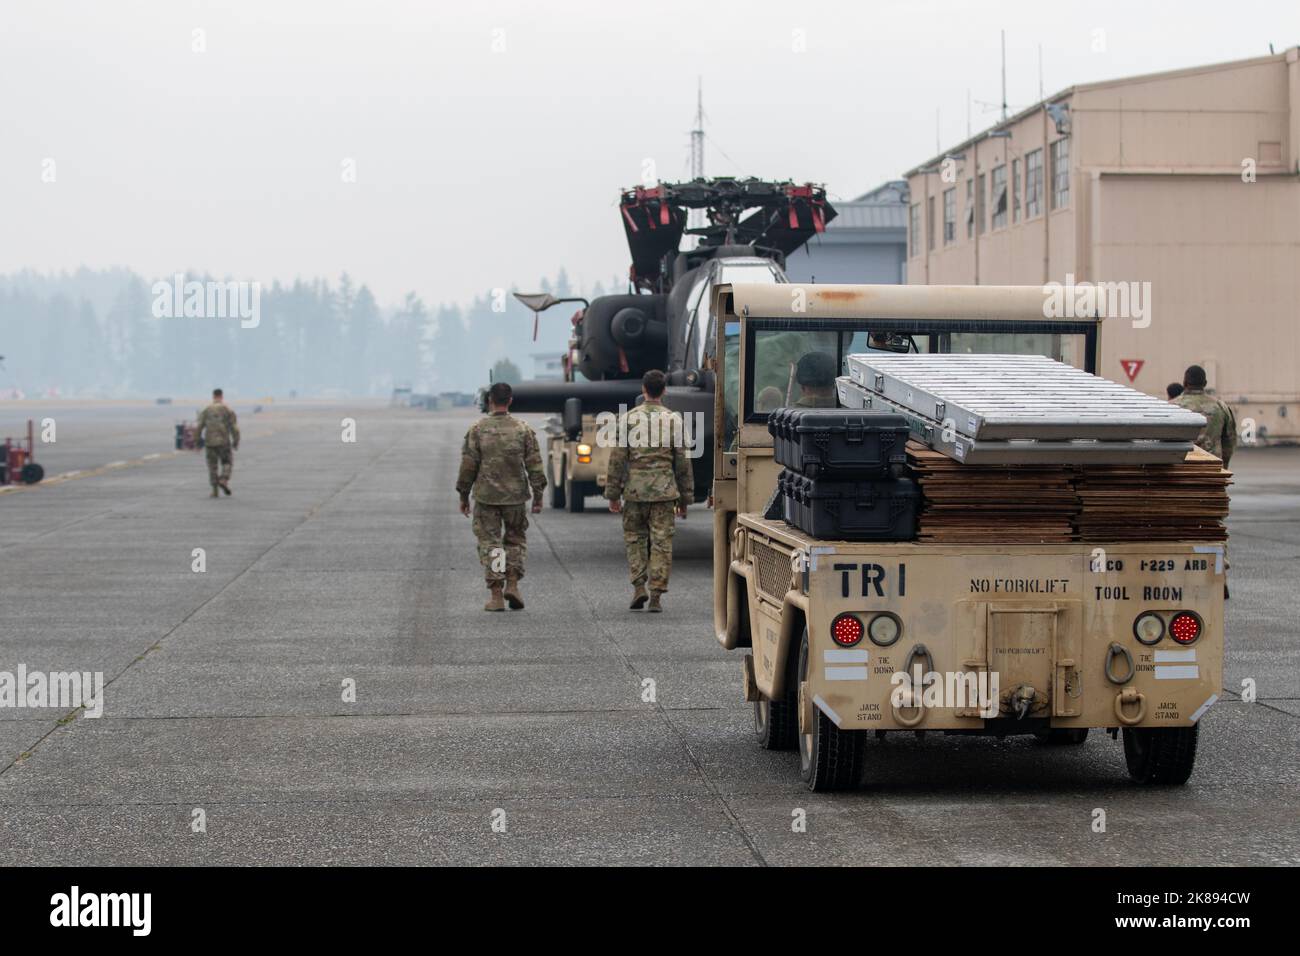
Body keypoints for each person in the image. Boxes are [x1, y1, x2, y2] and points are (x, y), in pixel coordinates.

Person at [605, 369, 694, 612]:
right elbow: (683, 461)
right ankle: (656, 595)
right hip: (665, 492)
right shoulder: (674, 420)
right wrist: (686, 497)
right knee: (661, 542)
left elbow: (617, 459)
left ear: (643, 390)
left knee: (635, 539)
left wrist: (612, 494)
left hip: (635, 491)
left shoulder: (628, 419)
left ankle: (638, 587)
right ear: (664, 391)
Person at [456, 382, 546, 612]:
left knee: (491, 544)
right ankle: (513, 585)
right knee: (515, 541)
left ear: (489, 401)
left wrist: (464, 495)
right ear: (511, 400)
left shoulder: (477, 430)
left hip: (487, 498)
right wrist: (538, 496)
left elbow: (468, 466)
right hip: (515, 498)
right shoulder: (523, 429)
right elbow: (535, 465)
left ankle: (496, 595)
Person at [1174, 365, 1237, 465]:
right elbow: (1229, 440)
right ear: (1205, 383)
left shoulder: (1171, 407)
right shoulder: (1220, 406)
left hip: (1180, 468)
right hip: (1211, 467)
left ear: (1184, 383)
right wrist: (1223, 466)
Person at [194, 388, 239, 497]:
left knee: (212, 466)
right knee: (227, 462)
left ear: (213, 396)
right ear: (221, 396)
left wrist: (197, 442)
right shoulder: (227, 410)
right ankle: (223, 479)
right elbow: (234, 427)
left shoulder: (206, 410)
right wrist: (236, 441)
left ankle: (215, 491)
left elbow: (199, 427)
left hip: (210, 442)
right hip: (223, 442)